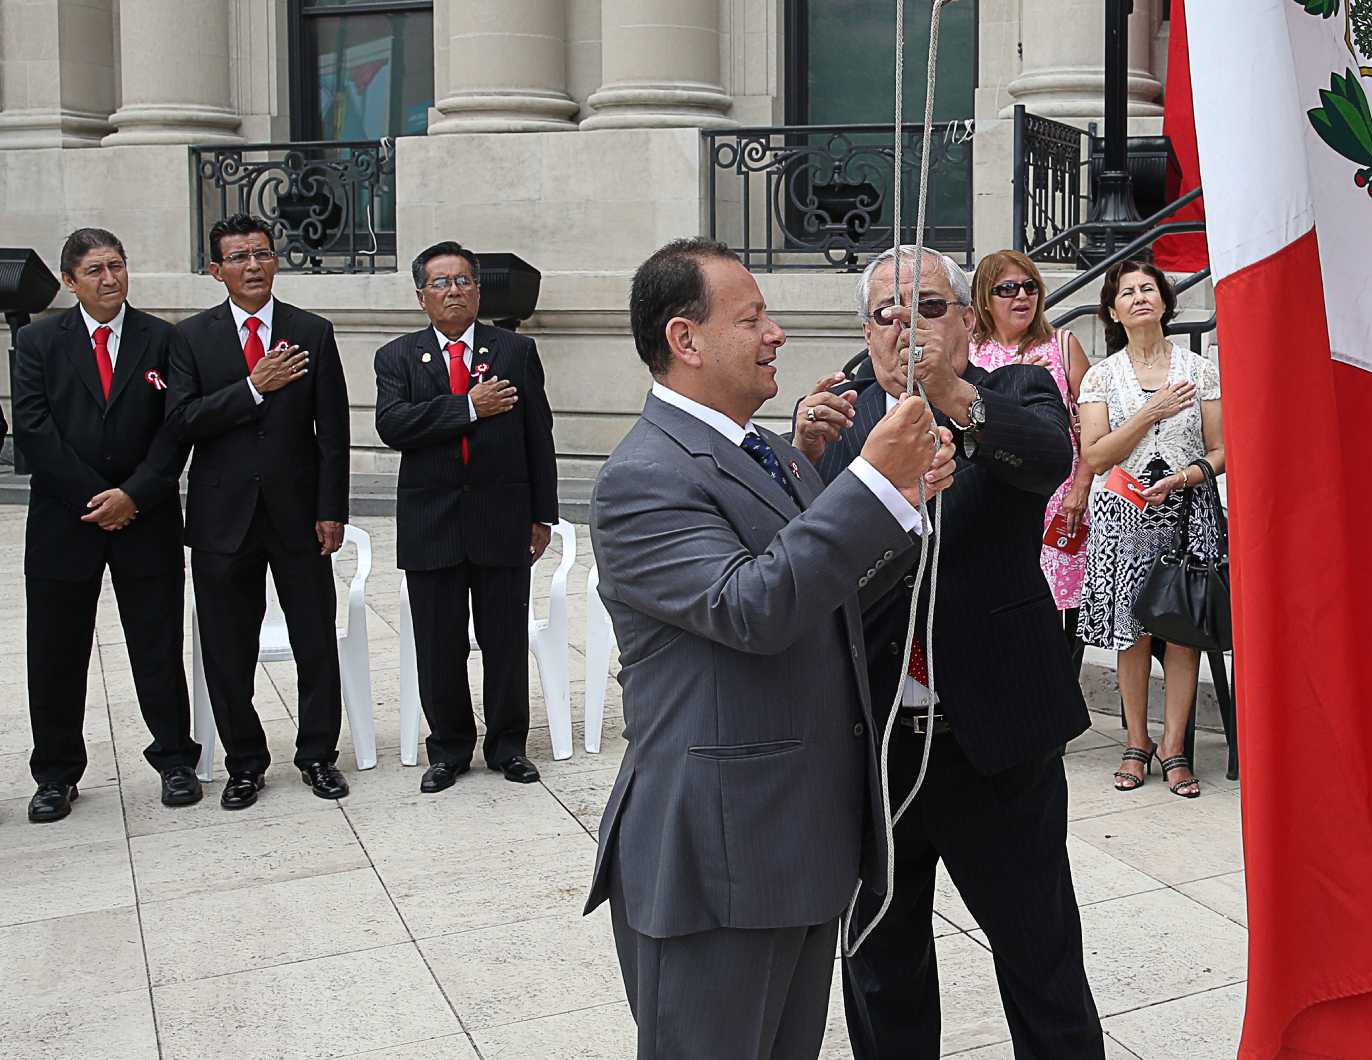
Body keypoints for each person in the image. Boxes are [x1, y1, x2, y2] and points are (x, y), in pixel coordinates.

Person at [583, 237, 954, 1060]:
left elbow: (819, 600)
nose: (777, 334)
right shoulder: (643, 476)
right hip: (718, 856)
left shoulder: (776, 453)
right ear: (686, 340)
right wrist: (866, 486)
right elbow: (748, 606)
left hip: (799, 840)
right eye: (752, 318)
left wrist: (903, 504)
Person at [797, 244, 1105, 1060]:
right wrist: (802, 453)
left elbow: (1047, 459)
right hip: (877, 740)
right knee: (880, 963)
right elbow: (803, 554)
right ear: (863, 331)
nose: (909, 328)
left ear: (967, 320)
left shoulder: (1016, 392)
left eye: (930, 309)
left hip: (995, 736)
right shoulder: (842, 411)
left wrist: (949, 395)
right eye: (888, 314)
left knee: (1040, 956)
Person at [14, 227, 200, 822]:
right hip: (63, 521)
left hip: (145, 518)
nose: (110, 279)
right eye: (94, 270)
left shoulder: (162, 338)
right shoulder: (38, 340)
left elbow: (175, 429)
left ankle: (175, 759)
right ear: (70, 282)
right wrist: (97, 498)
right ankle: (56, 773)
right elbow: (34, 429)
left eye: (116, 265)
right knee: (56, 649)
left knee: (155, 641)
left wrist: (134, 495)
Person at [167, 213, 351, 810]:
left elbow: (333, 431)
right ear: (216, 270)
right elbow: (182, 421)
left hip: (298, 515)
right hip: (223, 520)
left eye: (263, 254)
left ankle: (318, 755)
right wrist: (252, 386)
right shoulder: (191, 338)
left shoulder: (312, 331)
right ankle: (244, 761)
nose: (253, 265)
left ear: (276, 261)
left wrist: (332, 508)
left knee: (315, 640)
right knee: (226, 647)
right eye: (239, 257)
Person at [375, 241, 558, 794]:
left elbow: (537, 436)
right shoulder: (397, 357)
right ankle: (449, 748)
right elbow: (394, 425)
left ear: (478, 290)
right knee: (438, 643)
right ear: (420, 297)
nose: (452, 291)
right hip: (431, 520)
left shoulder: (514, 351)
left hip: (501, 517)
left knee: (504, 639)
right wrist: (469, 407)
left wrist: (541, 515)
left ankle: (508, 746)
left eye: (462, 281)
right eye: (440, 283)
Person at [1076, 258, 1224, 800]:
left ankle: (1175, 746)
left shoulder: (1199, 369)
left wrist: (1186, 477)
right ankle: (1136, 742)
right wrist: (1149, 412)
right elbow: (1094, 455)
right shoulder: (1101, 375)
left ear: (1163, 301)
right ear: (1113, 310)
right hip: (1123, 518)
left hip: (1186, 515)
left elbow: (1222, 449)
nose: (1139, 297)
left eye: (1148, 289)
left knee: (1182, 634)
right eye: (1126, 292)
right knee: (1131, 634)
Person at [967, 249, 1091, 662]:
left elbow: (1093, 427)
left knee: (1064, 609)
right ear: (985, 298)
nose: (1021, 296)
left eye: (1030, 286)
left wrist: (1081, 488)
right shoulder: (969, 353)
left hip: (1060, 499)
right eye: (1007, 288)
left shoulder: (1062, 345)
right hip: (996, 498)